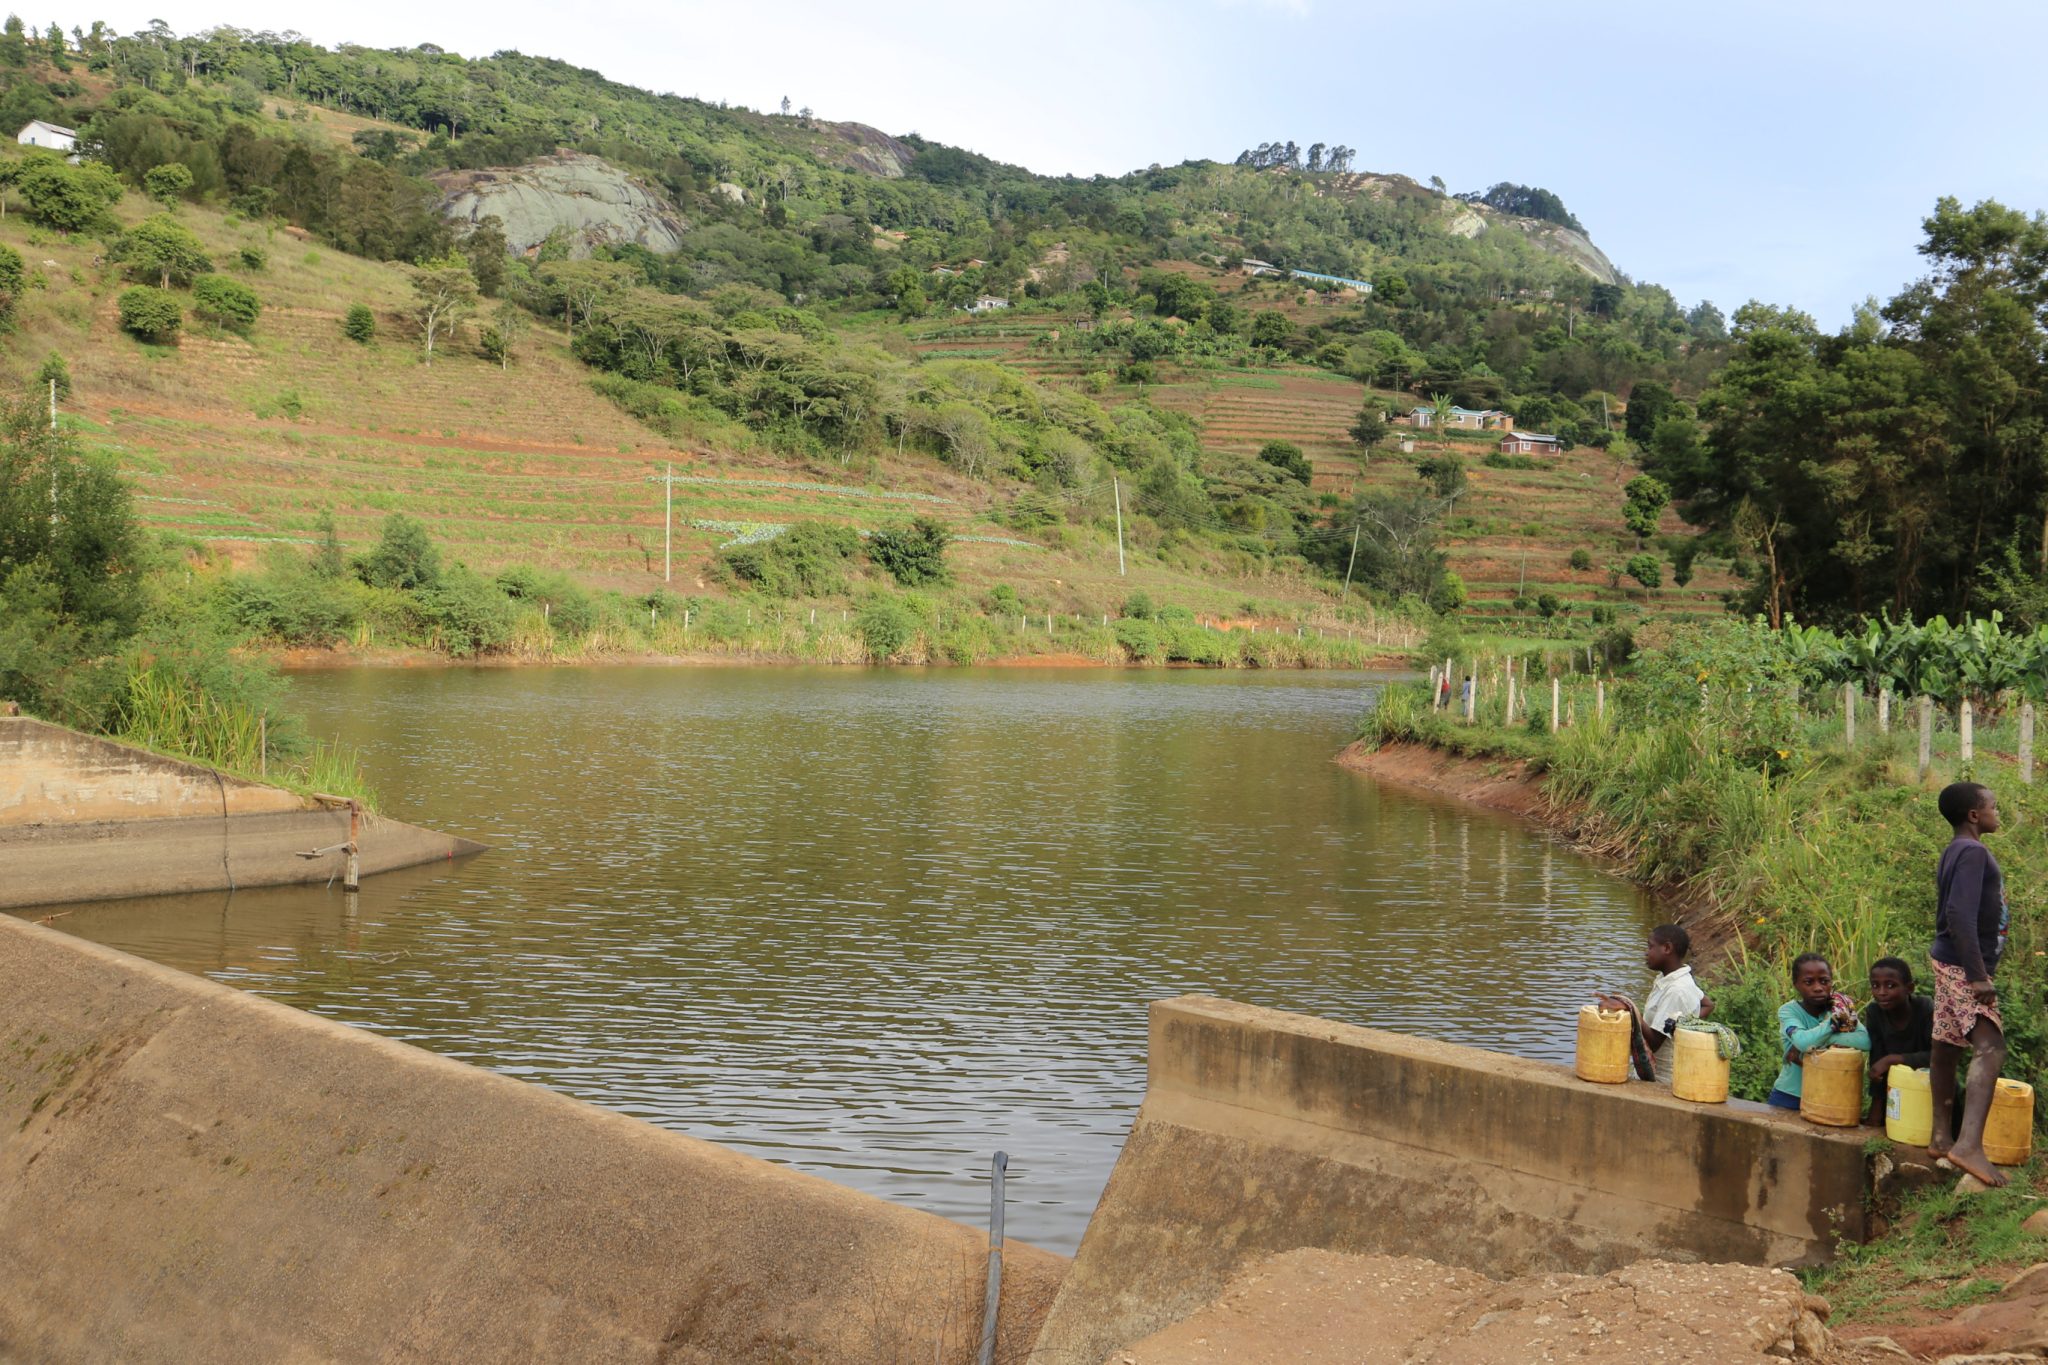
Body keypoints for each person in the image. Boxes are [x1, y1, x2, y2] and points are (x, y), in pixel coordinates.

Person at [1929, 781, 2011, 1187]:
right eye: (1993, 806)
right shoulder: (1974, 851)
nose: (1998, 811)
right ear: (1975, 816)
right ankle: (1968, 1146)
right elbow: (1959, 912)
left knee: (1946, 1043)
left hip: (1949, 957)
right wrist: (1977, 975)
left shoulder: (1954, 850)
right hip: (1964, 965)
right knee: (1990, 1045)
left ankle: (1941, 1136)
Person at [1598, 924, 1703, 1084]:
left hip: (1662, 1081)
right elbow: (1708, 1004)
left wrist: (1631, 1008)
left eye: (1650, 946)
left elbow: (1654, 1043)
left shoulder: (1677, 990)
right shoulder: (1672, 978)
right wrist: (1678, 1024)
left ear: (1667, 948)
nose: (1646, 953)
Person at [1767, 952, 1868, 1110]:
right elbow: (1802, 1041)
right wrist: (1834, 1024)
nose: (1818, 988)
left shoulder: (1839, 1008)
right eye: (1808, 982)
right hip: (1790, 1097)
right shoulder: (1789, 1011)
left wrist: (1822, 1040)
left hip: (1829, 1097)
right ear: (1796, 984)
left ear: (1831, 982)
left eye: (1824, 981)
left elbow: (1865, 1041)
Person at [1861, 957, 1940, 1127]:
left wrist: (1893, 1059)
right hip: (1897, 1088)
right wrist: (1875, 1115)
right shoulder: (1875, 1012)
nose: (1881, 992)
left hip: (1929, 1088)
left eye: (1891, 985)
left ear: (1909, 988)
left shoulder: (1925, 1009)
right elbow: (1878, 1061)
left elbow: (1938, 1057)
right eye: (1875, 985)